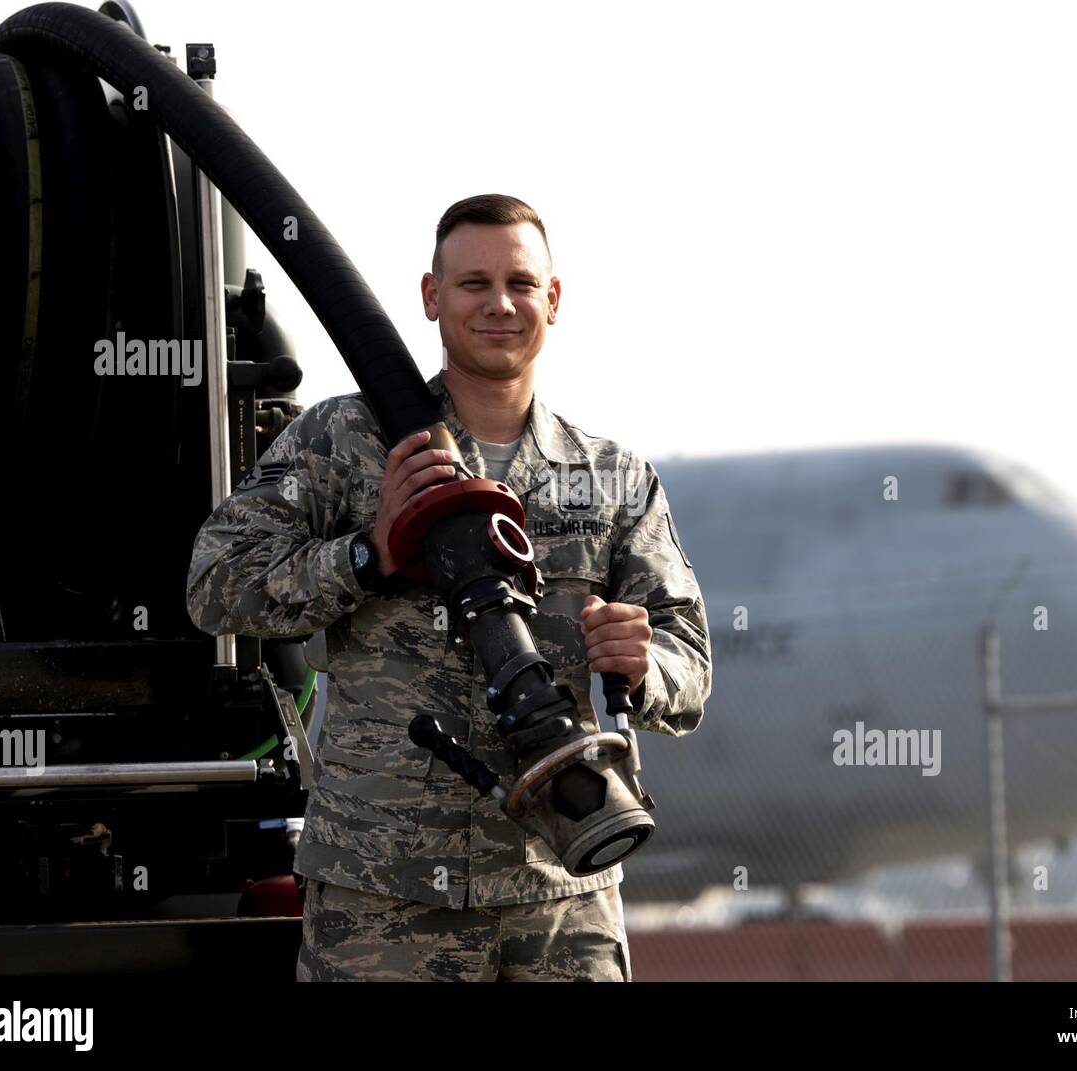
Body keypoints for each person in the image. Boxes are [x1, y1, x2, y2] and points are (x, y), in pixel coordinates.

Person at [186, 193, 711, 981]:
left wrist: (646, 665)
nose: (499, 304)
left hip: (561, 890)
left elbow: (690, 661)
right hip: (384, 892)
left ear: (553, 300)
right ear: (432, 297)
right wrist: (367, 555)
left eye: (520, 283)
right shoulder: (347, 442)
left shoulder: (610, 477)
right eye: (473, 284)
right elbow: (216, 585)